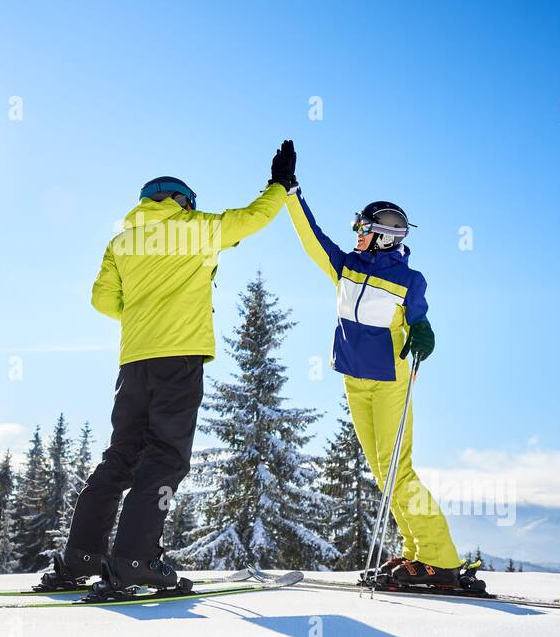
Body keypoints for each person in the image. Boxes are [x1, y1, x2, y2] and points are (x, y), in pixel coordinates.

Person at [40, 141, 297, 592]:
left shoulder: (122, 241)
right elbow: (255, 218)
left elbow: (101, 300)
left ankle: (81, 556)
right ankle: (135, 559)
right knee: (165, 457)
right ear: (184, 202)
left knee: (120, 456)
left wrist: (143, 314)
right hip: (178, 358)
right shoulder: (195, 228)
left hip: (134, 360)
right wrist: (278, 184)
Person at [284, 158, 463, 588]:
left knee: (397, 470)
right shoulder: (346, 266)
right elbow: (312, 238)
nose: (356, 234)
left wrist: (423, 333)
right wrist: (292, 192)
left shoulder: (409, 279)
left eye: (363, 228)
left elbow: (419, 318)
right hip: (353, 379)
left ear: (383, 236)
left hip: (390, 381)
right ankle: (417, 553)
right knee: (383, 472)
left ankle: (441, 557)